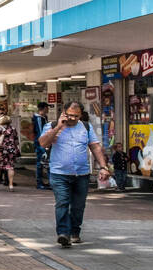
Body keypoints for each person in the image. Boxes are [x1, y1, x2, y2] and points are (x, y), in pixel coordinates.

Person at [39, 100, 112, 248]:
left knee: (79, 206)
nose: (72, 118)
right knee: (62, 202)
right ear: (64, 113)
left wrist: (103, 167)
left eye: (76, 116)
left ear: (80, 116)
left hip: (81, 174)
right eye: (70, 115)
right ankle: (63, 234)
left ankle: (74, 232)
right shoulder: (52, 126)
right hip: (59, 173)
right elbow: (43, 143)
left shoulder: (86, 127)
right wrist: (59, 126)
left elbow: (95, 148)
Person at [0, 115, 20, 189]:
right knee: (10, 167)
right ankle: (11, 185)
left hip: (1, 150)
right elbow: (16, 141)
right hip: (11, 150)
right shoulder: (13, 129)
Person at [31, 102, 51, 190]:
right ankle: (39, 183)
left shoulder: (43, 117)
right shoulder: (38, 118)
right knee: (41, 162)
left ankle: (44, 182)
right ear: (44, 108)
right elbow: (40, 132)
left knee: (44, 162)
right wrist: (44, 144)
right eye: (47, 107)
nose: (48, 109)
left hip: (43, 142)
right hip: (41, 143)